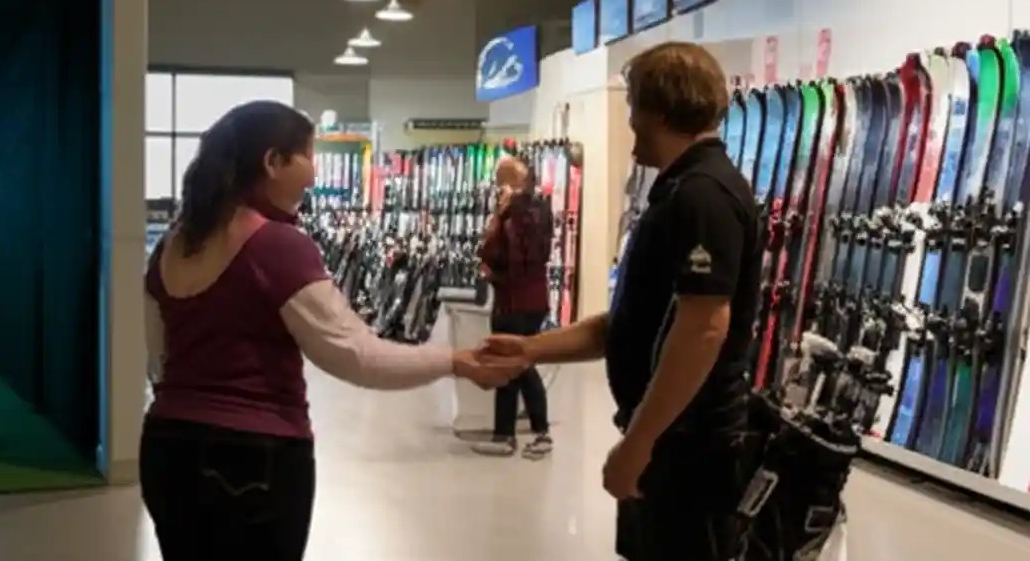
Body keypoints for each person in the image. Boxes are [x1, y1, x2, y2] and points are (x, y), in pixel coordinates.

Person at [139, 101, 525, 561]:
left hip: (166, 448)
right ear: (273, 162)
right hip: (251, 460)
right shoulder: (277, 245)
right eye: (308, 155)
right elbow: (355, 355)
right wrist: (453, 360)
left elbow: (157, 360)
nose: (315, 173)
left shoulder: (173, 241)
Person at [483, 41, 761, 560]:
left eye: (631, 104)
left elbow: (703, 329)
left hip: (688, 449)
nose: (629, 119)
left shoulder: (704, 195)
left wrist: (639, 443)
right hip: (668, 443)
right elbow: (633, 324)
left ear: (657, 108)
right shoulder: (678, 192)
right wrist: (529, 351)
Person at [472, 154, 554, 459]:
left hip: (512, 300)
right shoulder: (542, 209)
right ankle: (506, 433)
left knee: (516, 364)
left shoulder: (510, 214)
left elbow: (496, 252)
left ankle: (534, 431)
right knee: (513, 363)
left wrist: (498, 218)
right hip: (535, 299)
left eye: (498, 178)